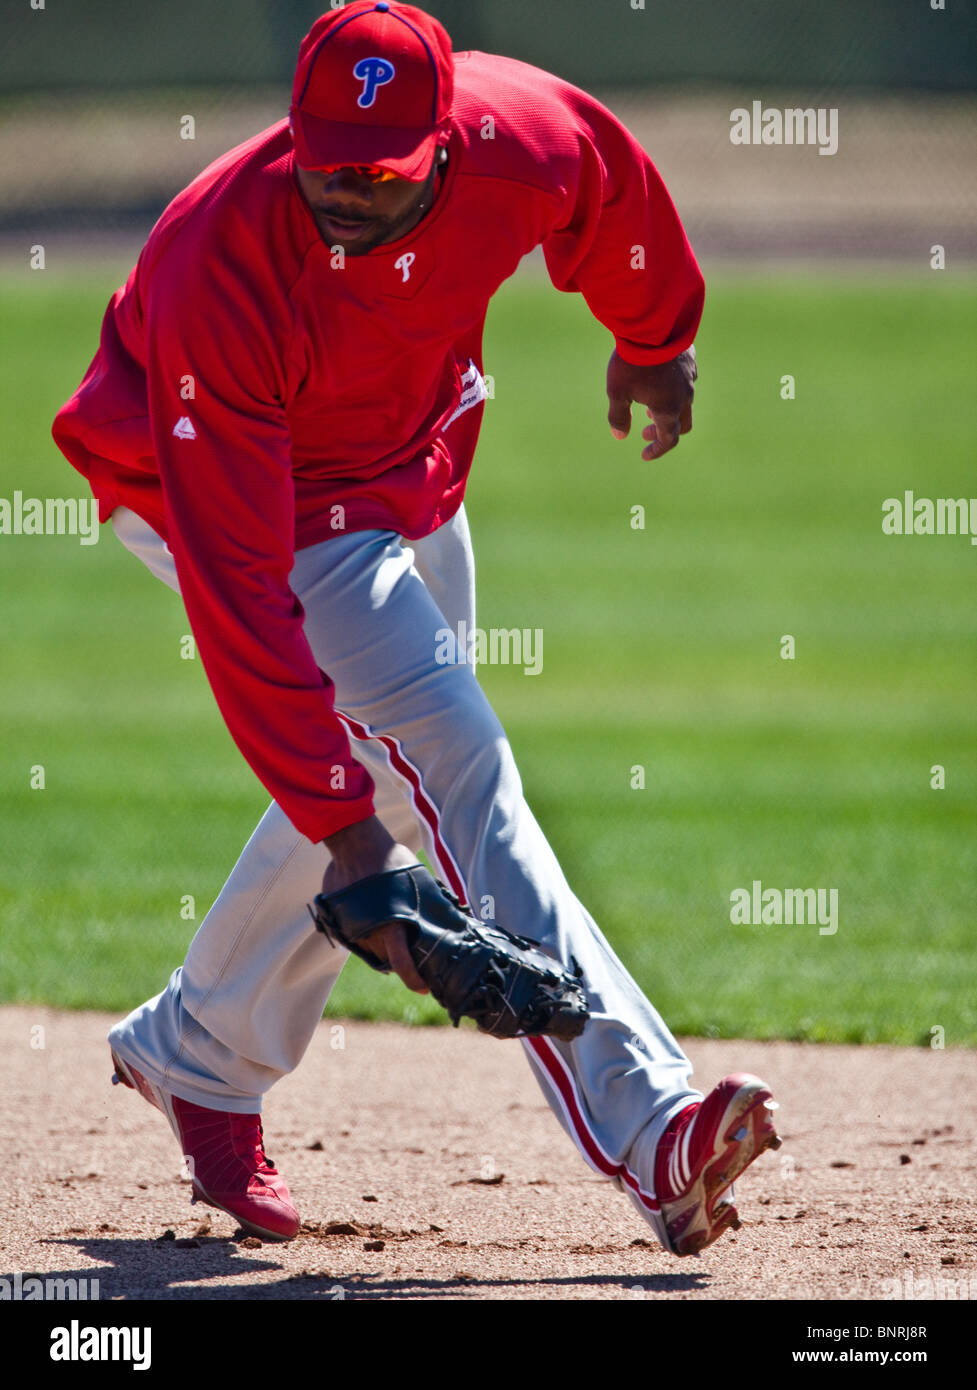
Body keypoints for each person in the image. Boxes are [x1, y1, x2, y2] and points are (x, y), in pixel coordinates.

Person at [52, 0, 780, 1258]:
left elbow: (610, 185)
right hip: (234, 495)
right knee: (449, 753)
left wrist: (652, 336)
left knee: (392, 775)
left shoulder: (519, 140)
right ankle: (650, 1125)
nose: (339, 185)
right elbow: (241, 592)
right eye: (320, 152)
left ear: (444, 146)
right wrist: (345, 847)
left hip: (404, 473)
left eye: (375, 172)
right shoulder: (220, 265)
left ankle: (198, 1050)